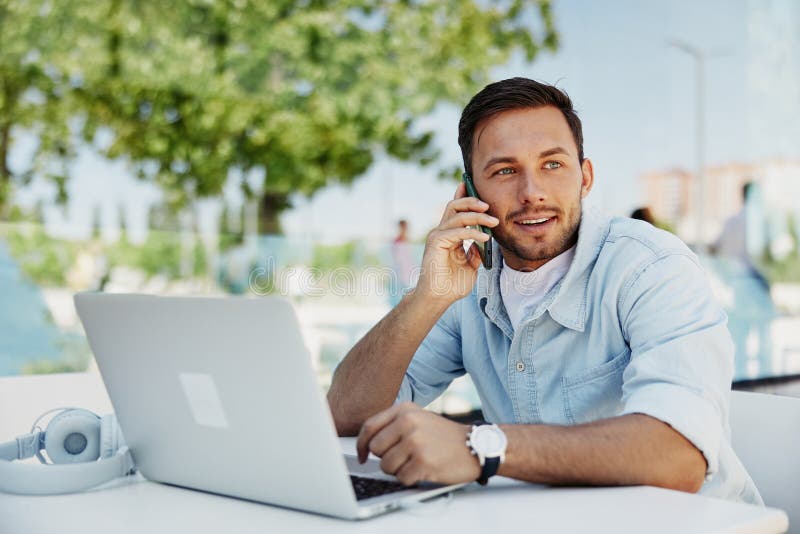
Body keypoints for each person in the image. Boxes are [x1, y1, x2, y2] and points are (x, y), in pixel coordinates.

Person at [327, 77, 761, 504]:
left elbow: (678, 456)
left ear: (585, 177)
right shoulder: (469, 280)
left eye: (552, 165)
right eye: (504, 170)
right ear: (470, 191)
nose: (532, 193)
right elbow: (346, 416)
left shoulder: (651, 267)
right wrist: (428, 296)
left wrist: (480, 448)